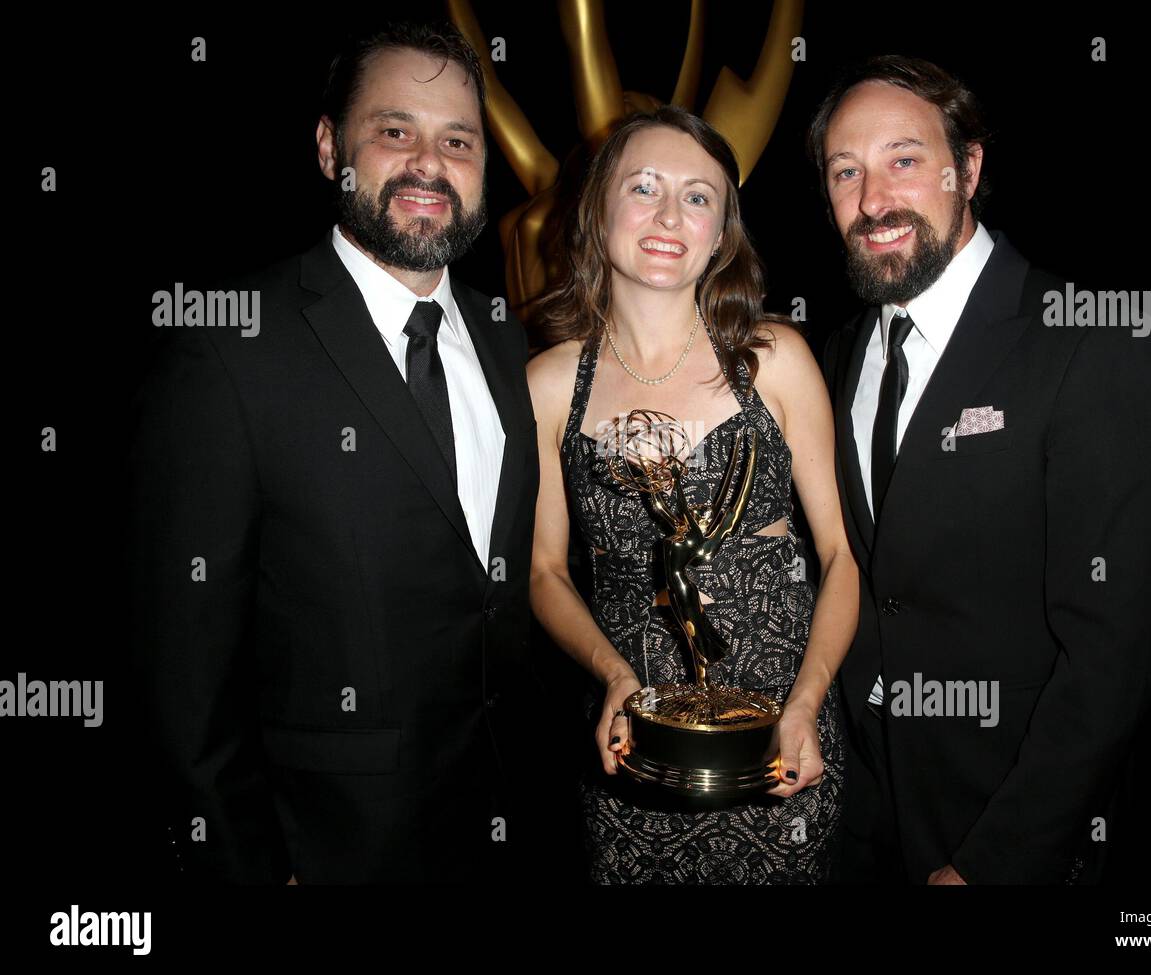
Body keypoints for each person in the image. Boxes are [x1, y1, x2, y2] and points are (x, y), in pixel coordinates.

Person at [129, 21, 548, 883]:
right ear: (330, 149)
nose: (430, 163)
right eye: (395, 132)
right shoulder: (230, 345)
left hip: (512, 831)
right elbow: (183, 669)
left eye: (458, 141)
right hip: (329, 850)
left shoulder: (513, 342)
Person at [811, 55, 1151, 883]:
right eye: (846, 172)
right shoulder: (837, 357)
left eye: (903, 160)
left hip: (1016, 841)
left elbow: (1114, 657)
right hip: (867, 828)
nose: (872, 202)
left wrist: (997, 861)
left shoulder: (1092, 341)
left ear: (967, 168)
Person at [526, 106, 858, 883]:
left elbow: (841, 556)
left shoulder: (775, 361)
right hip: (636, 752)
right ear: (598, 209)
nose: (671, 215)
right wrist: (614, 677)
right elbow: (544, 572)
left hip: (784, 743)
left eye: (699, 197)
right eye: (644, 188)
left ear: (720, 235)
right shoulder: (546, 386)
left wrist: (806, 703)